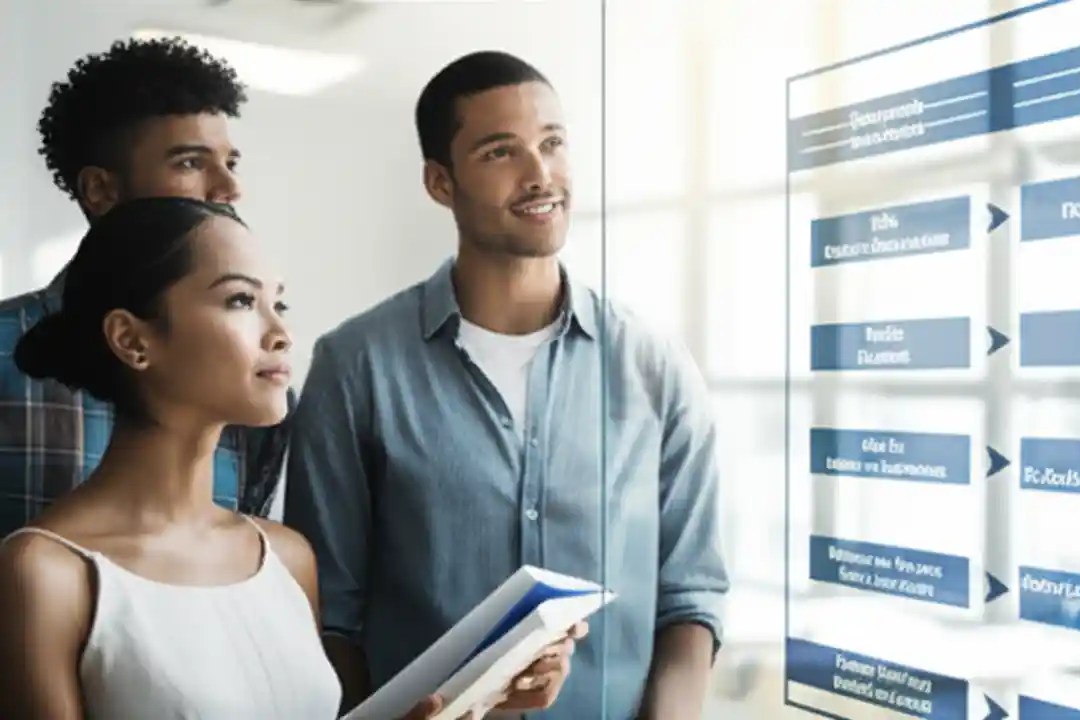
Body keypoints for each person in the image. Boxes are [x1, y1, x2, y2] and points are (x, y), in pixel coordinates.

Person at [284, 50, 729, 719]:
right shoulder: (356, 367)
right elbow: (331, 617)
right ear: (440, 182)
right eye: (501, 153)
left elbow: (691, 599)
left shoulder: (654, 365)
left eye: (552, 143)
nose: (540, 174)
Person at [0, 198, 477, 719]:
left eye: (280, 303)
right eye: (240, 301)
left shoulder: (287, 559)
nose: (281, 333)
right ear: (132, 340)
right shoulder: (47, 573)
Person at [0, 37, 290, 536]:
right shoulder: (4, 350)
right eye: (190, 162)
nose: (228, 188)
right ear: (101, 189)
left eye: (230, 162)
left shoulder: (252, 372)